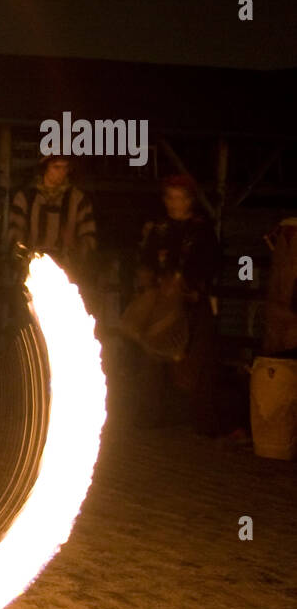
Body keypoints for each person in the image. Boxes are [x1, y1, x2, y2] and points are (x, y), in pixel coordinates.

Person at [125, 175, 220, 433]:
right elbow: (145, 260)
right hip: (160, 304)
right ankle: (148, 415)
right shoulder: (159, 228)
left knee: (197, 361)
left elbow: (210, 262)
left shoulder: (201, 229)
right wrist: (152, 282)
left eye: (180, 198)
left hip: (192, 303)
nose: (174, 203)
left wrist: (188, 285)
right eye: (170, 197)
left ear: (189, 200)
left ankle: (203, 420)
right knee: (151, 357)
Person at [7, 154, 96, 282]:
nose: (61, 173)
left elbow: (88, 237)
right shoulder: (26, 198)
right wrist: (24, 260)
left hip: (66, 272)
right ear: (45, 168)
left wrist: (76, 257)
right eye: (56, 167)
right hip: (33, 272)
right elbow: (15, 233)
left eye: (65, 168)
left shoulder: (78, 200)